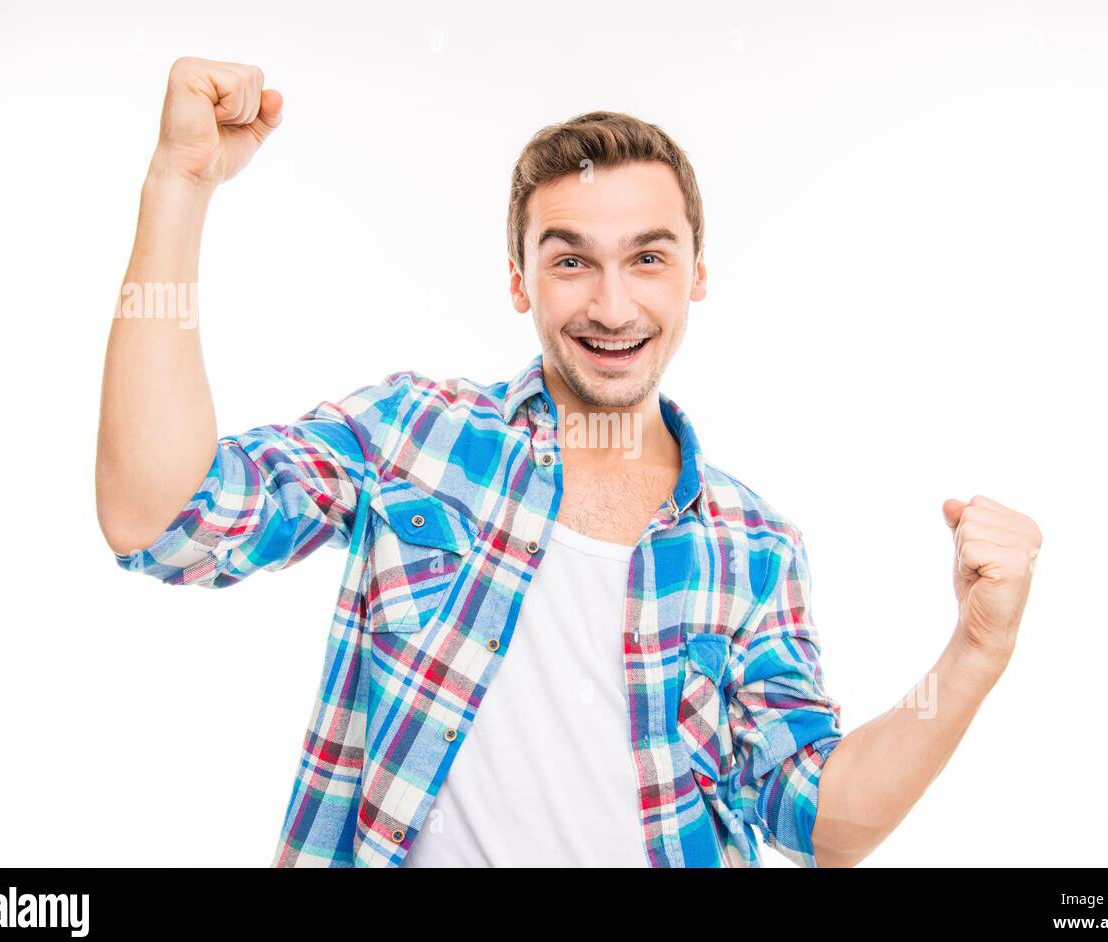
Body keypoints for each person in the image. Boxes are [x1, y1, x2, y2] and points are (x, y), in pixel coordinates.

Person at [96, 56, 1043, 868]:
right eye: (571, 260)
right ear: (521, 281)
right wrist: (179, 182)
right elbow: (164, 519)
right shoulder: (414, 437)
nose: (613, 305)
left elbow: (822, 820)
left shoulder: (753, 546)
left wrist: (975, 651)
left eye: (648, 258)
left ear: (696, 276)